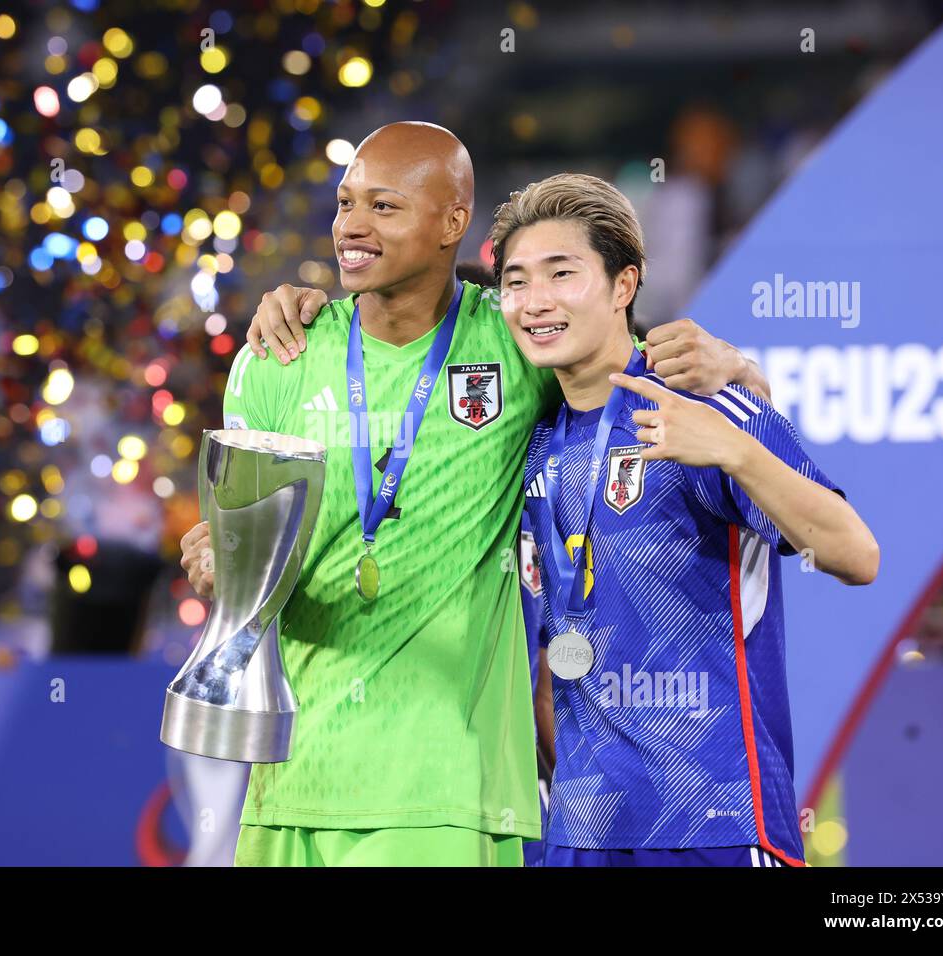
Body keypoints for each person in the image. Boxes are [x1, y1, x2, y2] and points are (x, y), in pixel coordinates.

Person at [180, 122, 759, 866]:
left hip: (448, 788)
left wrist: (738, 365)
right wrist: (216, 558)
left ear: (453, 221)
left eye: (384, 207)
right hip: (286, 781)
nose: (352, 226)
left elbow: (645, 378)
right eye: (346, 203)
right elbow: (237, 553)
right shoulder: (276, 357)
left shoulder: (515, 347)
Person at [492, 172, 879, 866]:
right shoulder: (535, 441)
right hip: (582, 835)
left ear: (623, 286)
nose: (535, 301)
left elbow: (856, 554)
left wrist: (733, 449)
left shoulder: (712, 407)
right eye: (516, 282)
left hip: (716, 827)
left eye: (561, 273)